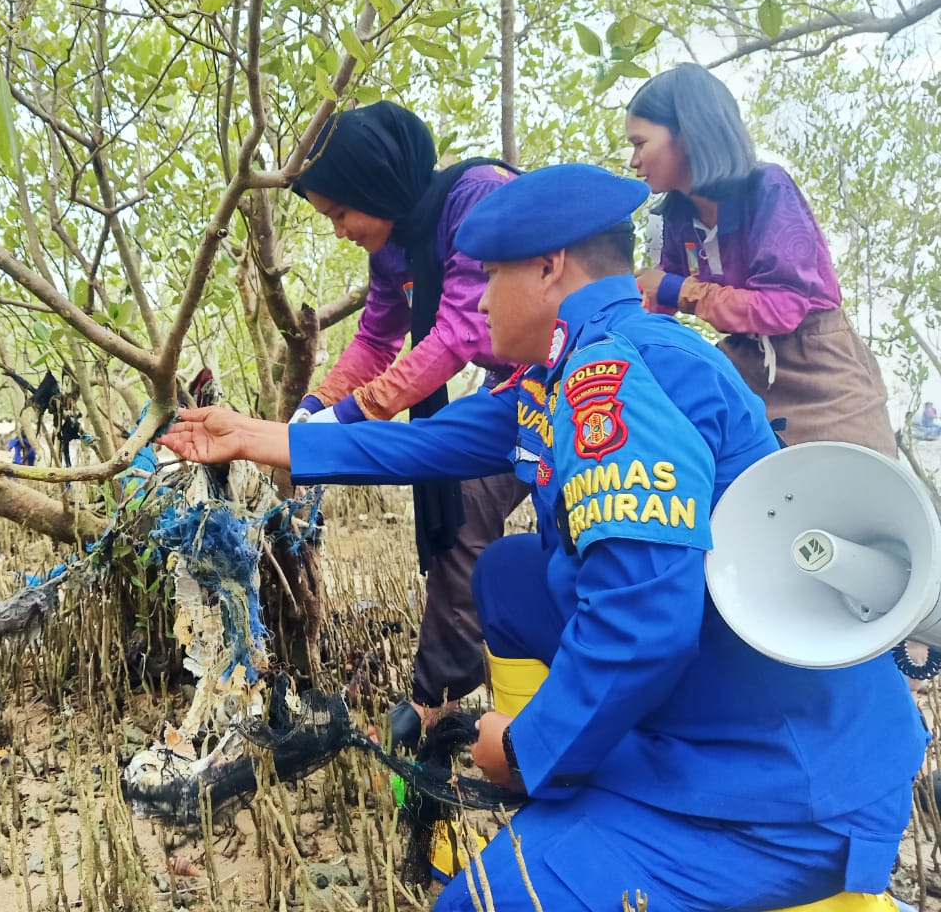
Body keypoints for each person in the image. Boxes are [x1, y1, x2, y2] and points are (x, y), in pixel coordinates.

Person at [159, 165, 925, 909]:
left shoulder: (613, 379)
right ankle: (567, 776)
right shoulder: (572, 368)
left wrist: (527, 750)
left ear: (550, 269)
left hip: (776, 791)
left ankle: (553, 772)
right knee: (516, 572)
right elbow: (424, 443)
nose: (480, 300)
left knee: (478, 904)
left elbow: (642, 624)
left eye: (491, 276)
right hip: (728, 716)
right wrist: (251, 436)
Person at [289, 100, 526, 748]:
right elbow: (375, 340)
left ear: (375, 185)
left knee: (577, 526)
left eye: (339, 212)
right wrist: (312, 406)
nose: (337, 229)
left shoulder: (475, 199)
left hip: (573, 376)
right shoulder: (394, 249)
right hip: (511, 392)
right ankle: (441, 696)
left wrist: (351, 415)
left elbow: (456, 334)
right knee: (465, 515)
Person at [627, 62, 897, 457]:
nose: (633, 161)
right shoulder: (671, 217)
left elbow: (781, 309)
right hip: (744, 366)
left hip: (818, 366)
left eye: (639, 143)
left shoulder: (767, 189)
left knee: (857, 488)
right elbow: (656, 307)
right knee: (734, 494)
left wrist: (678, 288)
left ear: (685, 134)